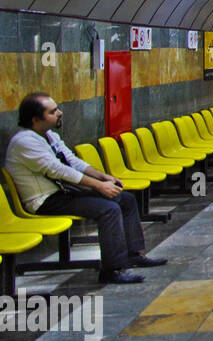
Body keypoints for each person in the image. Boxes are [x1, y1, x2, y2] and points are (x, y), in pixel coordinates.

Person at [5, 93, 166, 284]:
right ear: (35, 119)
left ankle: (132, 254)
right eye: (53, 111)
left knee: (126, 199)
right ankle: (111, 270)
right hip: (45, 201)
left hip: (64, 192)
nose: (59, 113)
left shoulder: (49, 136)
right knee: (108, 209)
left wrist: (103, 176)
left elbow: (72, 161)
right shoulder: (25, 142)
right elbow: (58, 170)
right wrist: (99, 186)